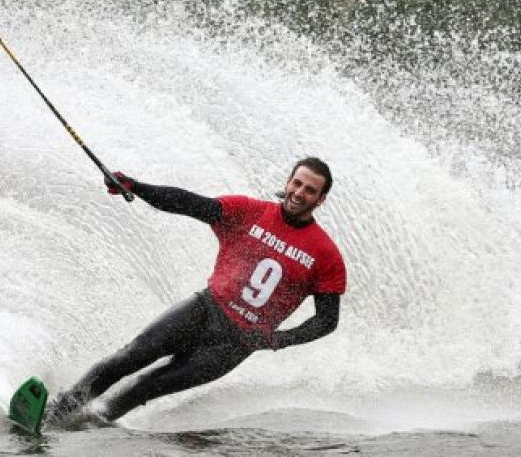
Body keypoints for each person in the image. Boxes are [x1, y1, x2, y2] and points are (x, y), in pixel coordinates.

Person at [47, 157, 347, 426]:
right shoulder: (248, 211)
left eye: (310, 190)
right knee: (129, 357)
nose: (299, 192)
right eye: (297, 183)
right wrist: (136, 186)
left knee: (147, 386)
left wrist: (276, 340)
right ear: (288, 182)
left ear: (321, 199)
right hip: (203, 310)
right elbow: (187, 203)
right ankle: (57, 413)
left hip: (234, 345)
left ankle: (85, 426)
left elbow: (327, 321)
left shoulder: (326, 255)